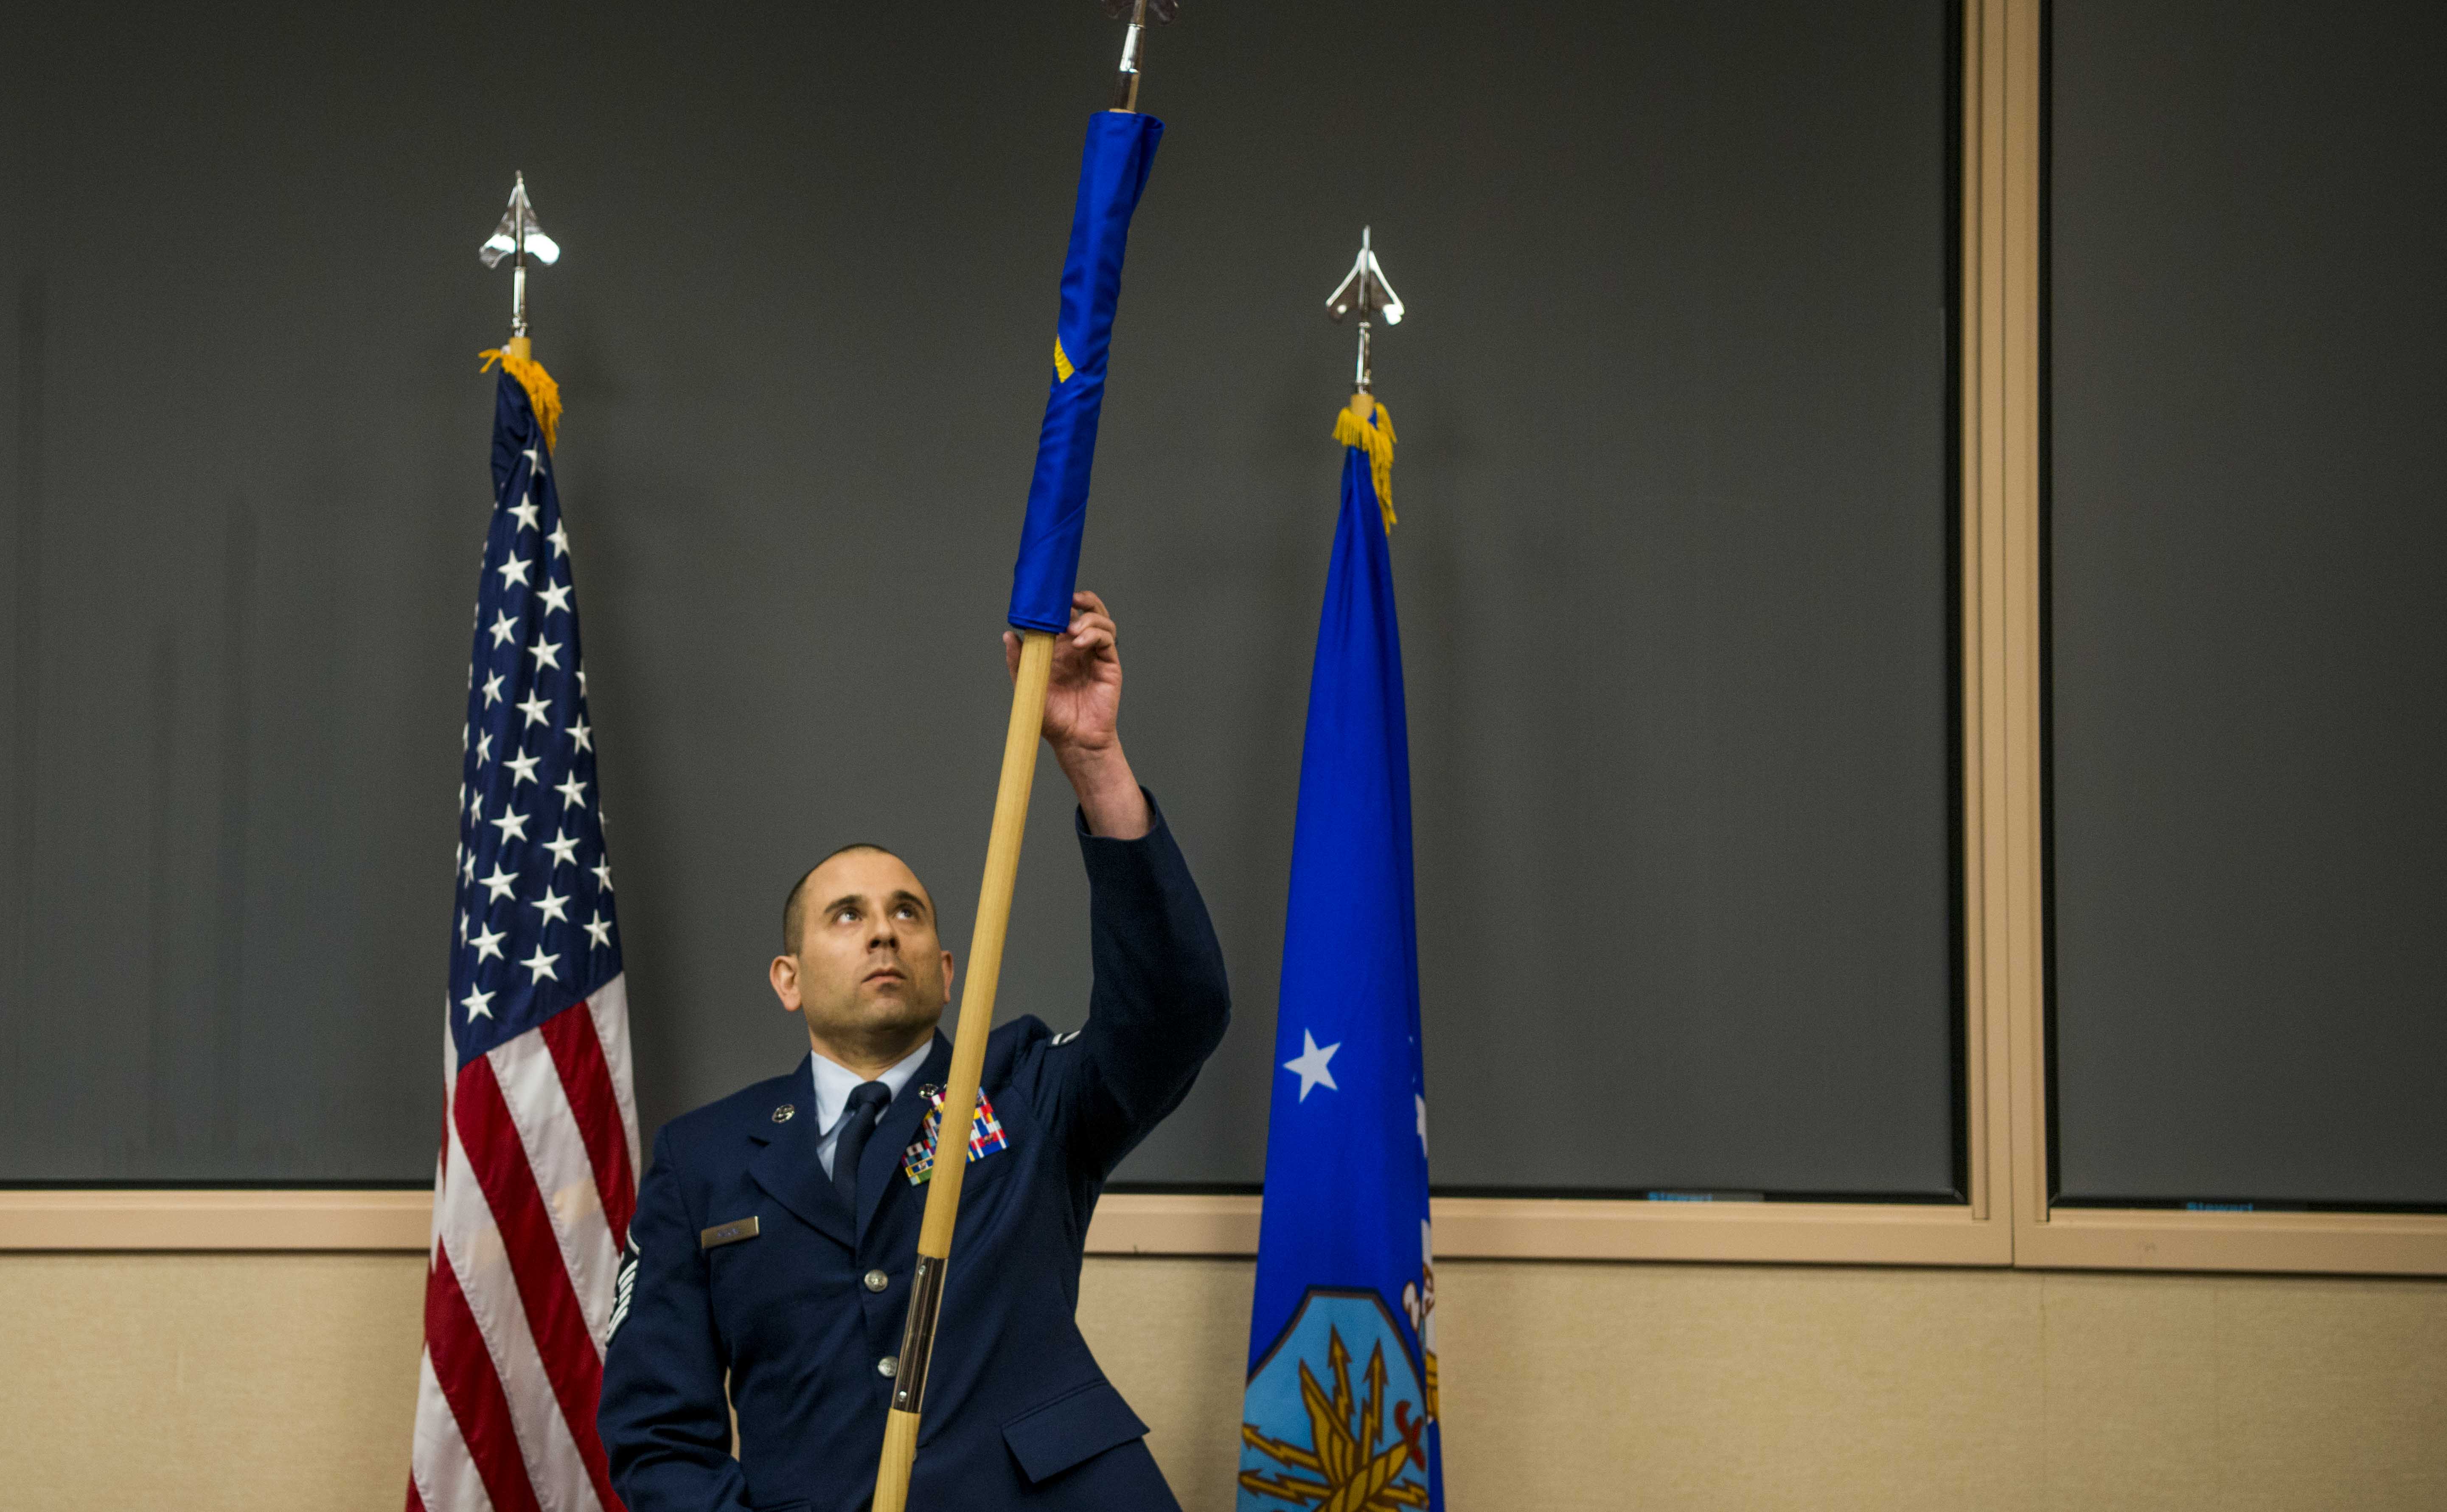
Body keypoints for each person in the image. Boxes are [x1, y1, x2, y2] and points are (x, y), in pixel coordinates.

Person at [599, 591, 1230, 1512]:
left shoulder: (1027, 1089)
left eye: (907, 913)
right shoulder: (702, 1161)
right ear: (787, 977)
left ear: (946, 968)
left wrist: (1094, 761)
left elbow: (1179, 1012)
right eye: (846, 917)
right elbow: (657, 1436)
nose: (882, 933)